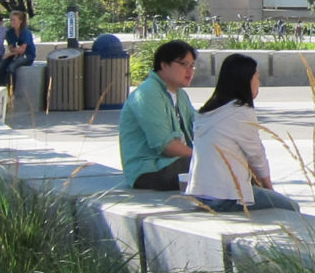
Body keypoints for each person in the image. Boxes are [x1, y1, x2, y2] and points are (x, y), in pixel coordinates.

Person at [187, 53, 300, 212]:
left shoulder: (207, 111)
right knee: (291, 207)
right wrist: (269, 190)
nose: (259, 83)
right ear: (245, 79)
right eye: (257, 77)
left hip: (199, 194)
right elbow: (256, 157)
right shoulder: (241, 112)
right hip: (226, 197)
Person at [119, 40, 198, 190]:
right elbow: (166, 146)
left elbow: (199, 129)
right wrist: (204, 157)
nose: (189, 70)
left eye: (192, 65)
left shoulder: (181, 95)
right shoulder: (147, 94)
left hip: (175, 164)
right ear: (164, 65)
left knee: (230, 160)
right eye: (183, 64)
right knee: (213, 165)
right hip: (149, 171)